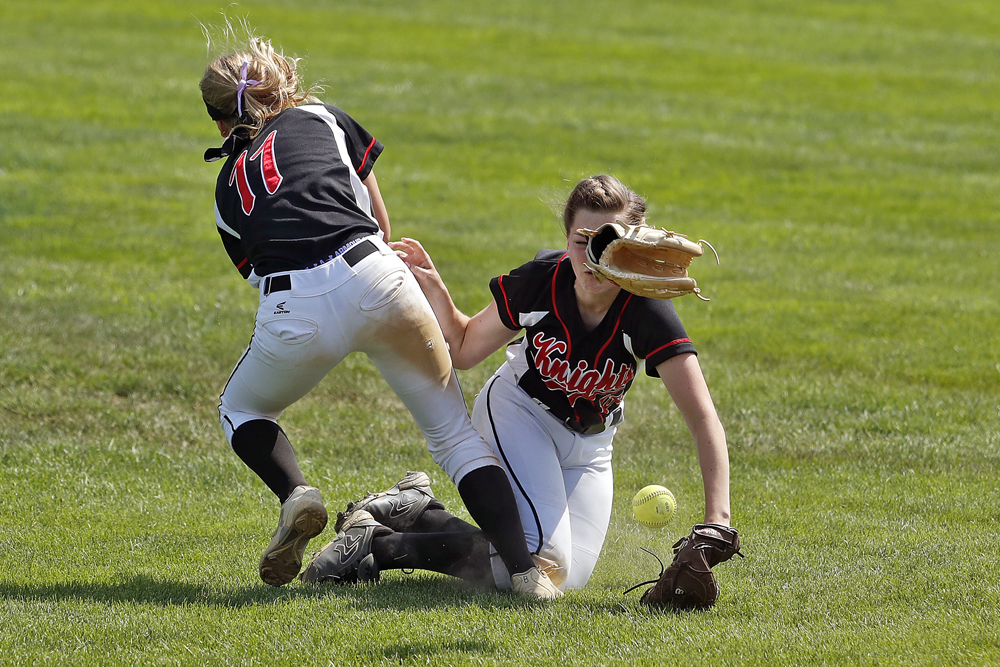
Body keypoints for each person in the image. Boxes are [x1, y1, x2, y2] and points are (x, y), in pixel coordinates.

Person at [198, 21, 559, 598]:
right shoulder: (322, 117)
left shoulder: (223, 191)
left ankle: (297, 494)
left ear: (220, 121)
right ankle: (524, 575)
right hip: (377, 275)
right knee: (453, 438)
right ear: (282, 89)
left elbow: (260, 267)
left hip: (295, 307)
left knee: (240, 408)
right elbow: (381, 225)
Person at [305, 175, 732, 594]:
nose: (592, 257)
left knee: (563, 578)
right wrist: (437, 291)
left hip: (591, 447)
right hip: (519, 413)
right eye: (582, 241)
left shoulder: (645, 311)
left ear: (632, 245)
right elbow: (467, 349)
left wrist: (718, 520)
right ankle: (377, 547)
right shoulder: (543, 280)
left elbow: (702, 419)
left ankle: (419, 514)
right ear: (567, 240)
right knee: (538, 561)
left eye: (609, 242)